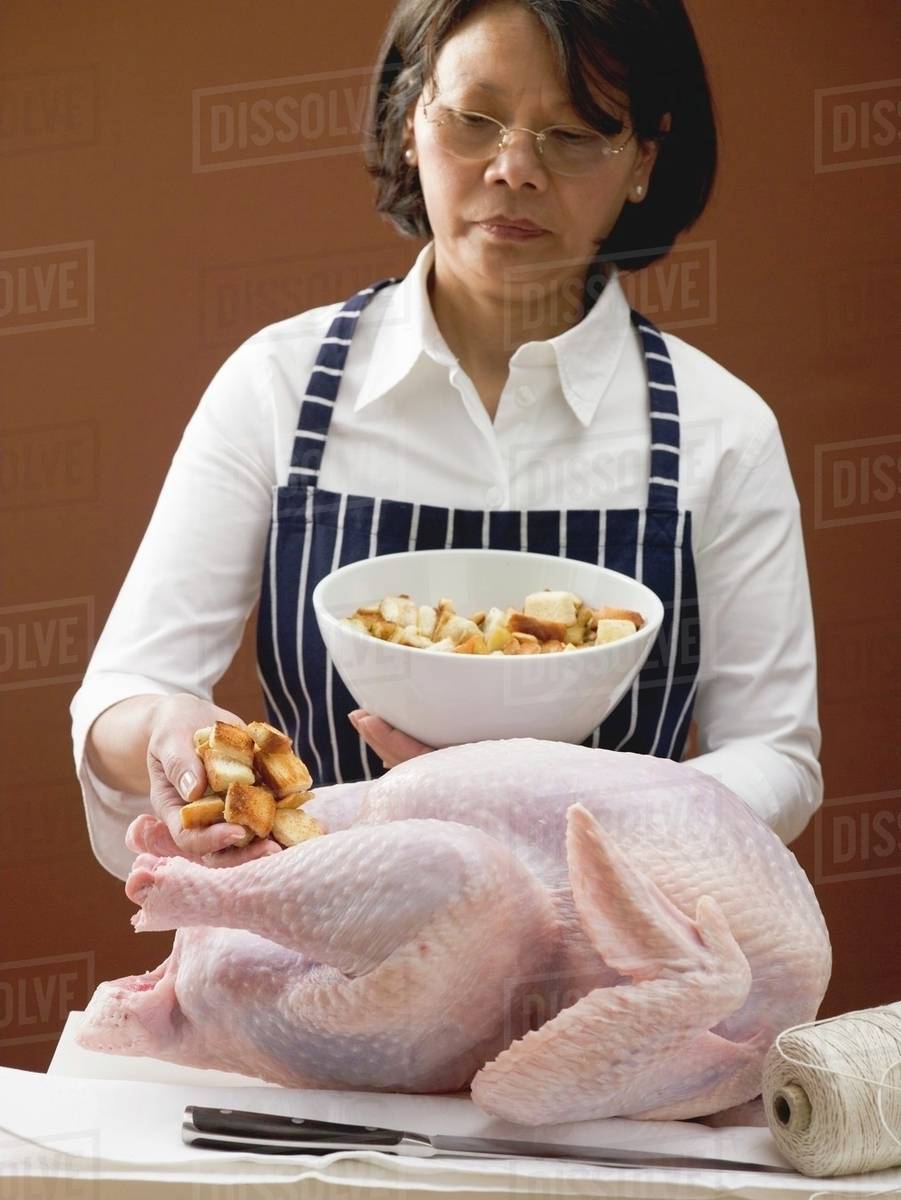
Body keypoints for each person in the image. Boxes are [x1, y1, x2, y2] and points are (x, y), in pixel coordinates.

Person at [70, 0, 822, 882]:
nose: (515, 169)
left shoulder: (715, 427)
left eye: (575, 133)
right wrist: (167, 730)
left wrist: (575, 816)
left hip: (605, 959)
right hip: (323, 948)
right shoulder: (282, 386)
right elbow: (122, 693)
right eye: (474, 119)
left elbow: (776, 755)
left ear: (640, 167)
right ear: (408, 124)